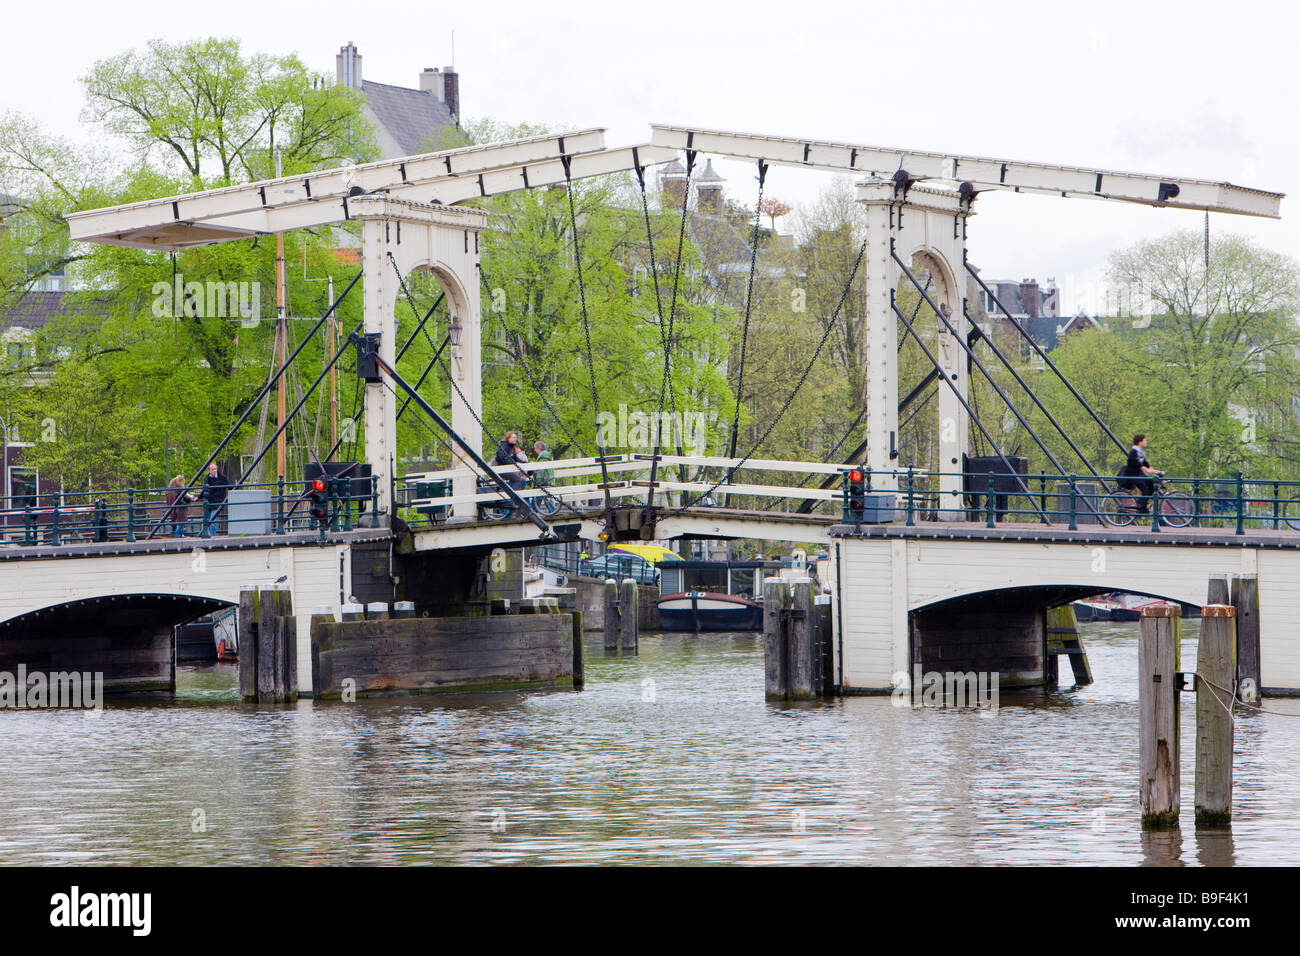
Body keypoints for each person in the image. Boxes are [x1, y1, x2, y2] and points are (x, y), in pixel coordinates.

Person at [1118, 434, 1163, 515]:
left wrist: (1156, 471)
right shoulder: (1133, 452)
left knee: (1152, 485)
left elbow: (1146, 464)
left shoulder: (1140, 452)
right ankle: (1142, 508)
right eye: (1145, 440)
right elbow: (1139, 465)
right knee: (1145, 489)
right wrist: (1152, 472)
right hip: (1132, 475)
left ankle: (1141, 501)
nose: (1146, 442)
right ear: (1140, 442)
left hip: (1138, 474)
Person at [203, 462, 231, 536]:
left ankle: (212, 536)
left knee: (213, 519)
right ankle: (208, 534)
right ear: (209, 470)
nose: (214, 471)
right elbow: (204, 490)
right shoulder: (206, 478)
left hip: (217, 501)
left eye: (215, 469)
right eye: (212, 469)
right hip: (209, 501)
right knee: (207, 520)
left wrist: (235, 486)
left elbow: (229, 486)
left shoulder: (222, 478)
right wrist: (198, 497)